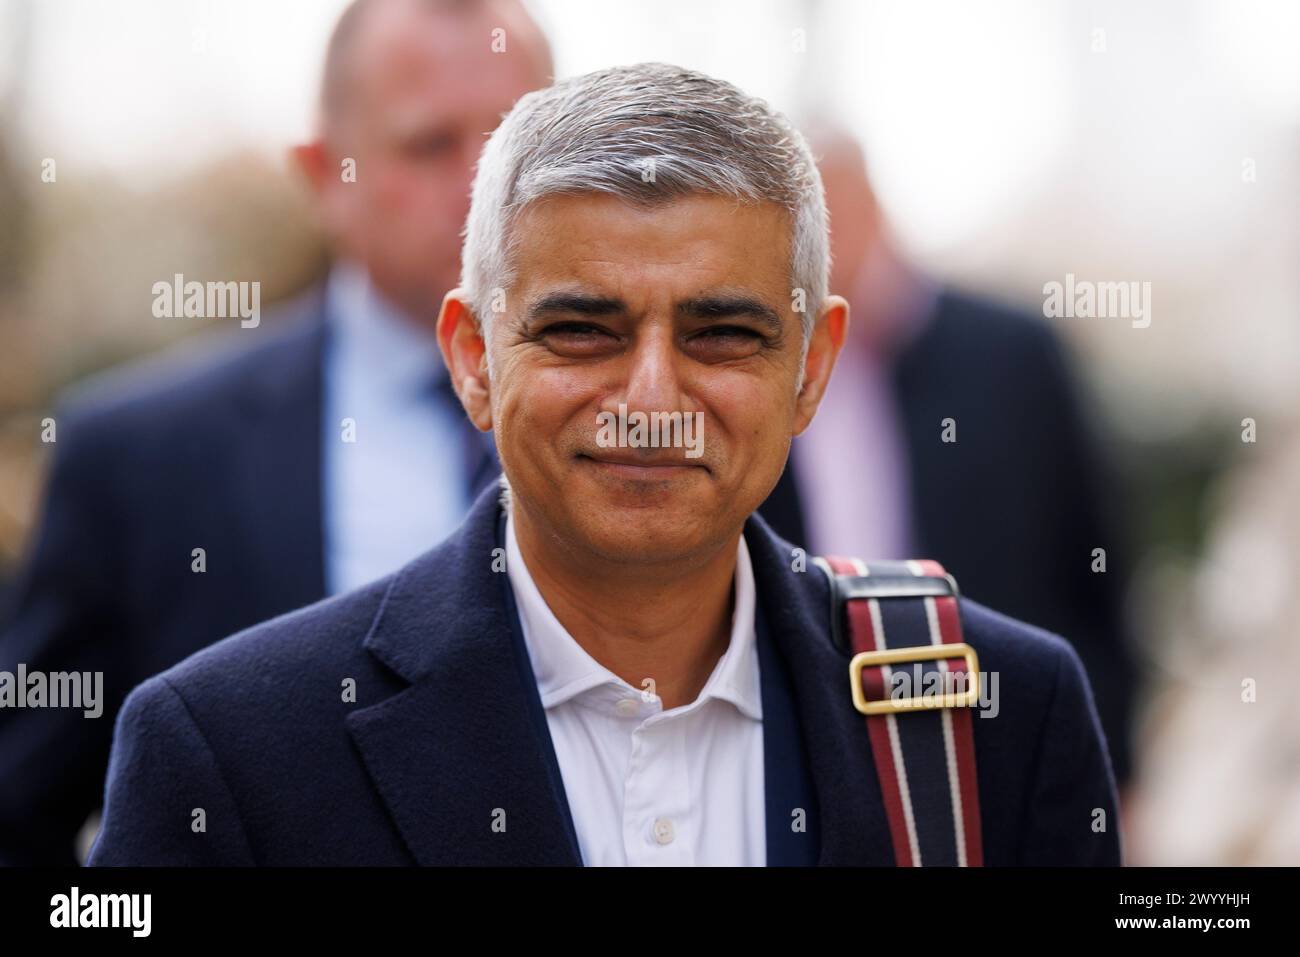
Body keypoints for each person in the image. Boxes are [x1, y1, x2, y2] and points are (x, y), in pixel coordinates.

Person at [89, 63, 1121, 867]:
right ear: (472, 359)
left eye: (722, 333)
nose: (651, 398)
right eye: (582, 329)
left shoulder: (1000, 713)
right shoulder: (229, 751)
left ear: (813, 368)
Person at [0, 0, 551, 866]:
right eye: (432, 144)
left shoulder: (695, 427)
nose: (489, 187)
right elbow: (19, 819)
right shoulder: (141, 463)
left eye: (521, 144)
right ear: (325, 174)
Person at [758, 128, 1137, 787]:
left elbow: (1096, 568)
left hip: (1000, 741)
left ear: (874, 207)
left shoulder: (1012, 356)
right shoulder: (753, 369)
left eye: (833, 215)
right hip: (812, 751)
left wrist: (1115, 769)